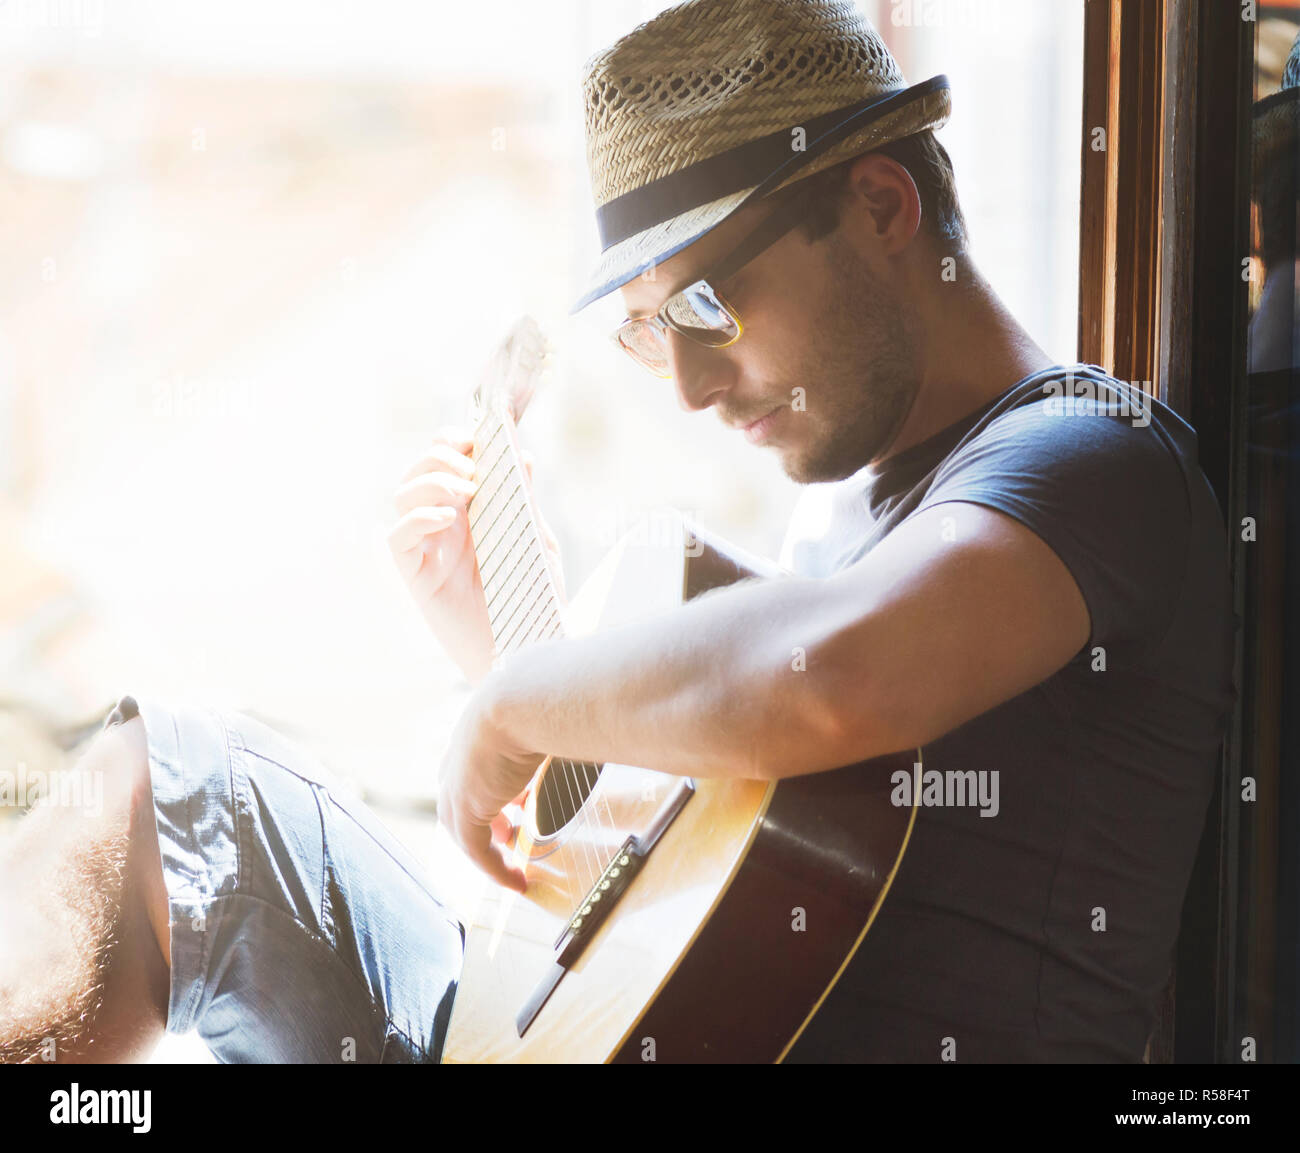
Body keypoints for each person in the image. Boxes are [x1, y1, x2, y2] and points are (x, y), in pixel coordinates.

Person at [0, 0, 1235, 1063]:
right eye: (650, 331)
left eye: (707, 300)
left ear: (878, 204)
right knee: (159, 795)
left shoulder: (1085, 454)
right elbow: (689, 907)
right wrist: (499, 661)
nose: (691, 387)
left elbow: (833, 685)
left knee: (178, 792)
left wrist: (518, 704)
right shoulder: (852, 515)